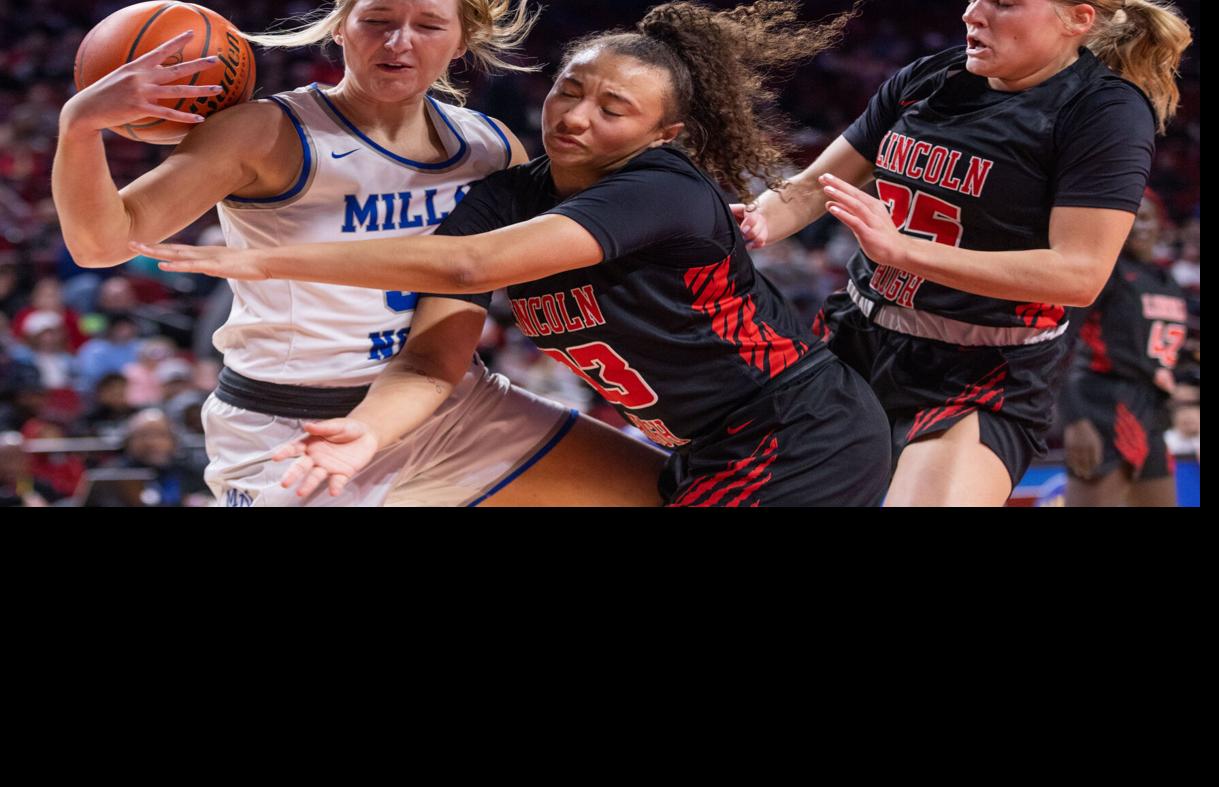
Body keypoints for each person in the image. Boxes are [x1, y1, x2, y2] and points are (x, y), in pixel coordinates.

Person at [138, 1, 892, 507]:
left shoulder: (661, 189)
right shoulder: (504, 195)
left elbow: (471, 268)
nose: (577, 116)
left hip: (797, 431)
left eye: (613, 108)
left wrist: (272, 259)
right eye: (571, 90)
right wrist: (368, 431)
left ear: (662, 135)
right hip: (709, 445)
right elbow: (432, 358)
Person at [54, 0, 653, 507]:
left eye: (428, 24)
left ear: (462, 38)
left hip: (449, 404)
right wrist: (80, 128)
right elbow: (102, 243)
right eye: (378, 20)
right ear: (341, 24)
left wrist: (706, 217)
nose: (400, 42)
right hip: (290, 425)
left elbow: (583, 235)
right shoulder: (265, 131)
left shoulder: (490, 147)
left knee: (663, 489)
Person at [733, 0, 1192, 505]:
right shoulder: (931, 75)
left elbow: (1079, 273)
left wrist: (904, 251)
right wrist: (751, 220)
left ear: (1077, 19)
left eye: (1004, 3)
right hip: (856, 337)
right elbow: (814, 186)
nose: (972, 14)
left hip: (980, 367)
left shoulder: (1105, 109)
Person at [1060, 192, 1186, 506]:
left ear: (1161, 224)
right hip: (1102, 404)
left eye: (1146, 218)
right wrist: (1074, 420)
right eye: (1130, 218)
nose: (1138, 227)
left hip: (1151, 407)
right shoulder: (1105, 272)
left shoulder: (1166, 280)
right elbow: (1056, 343)